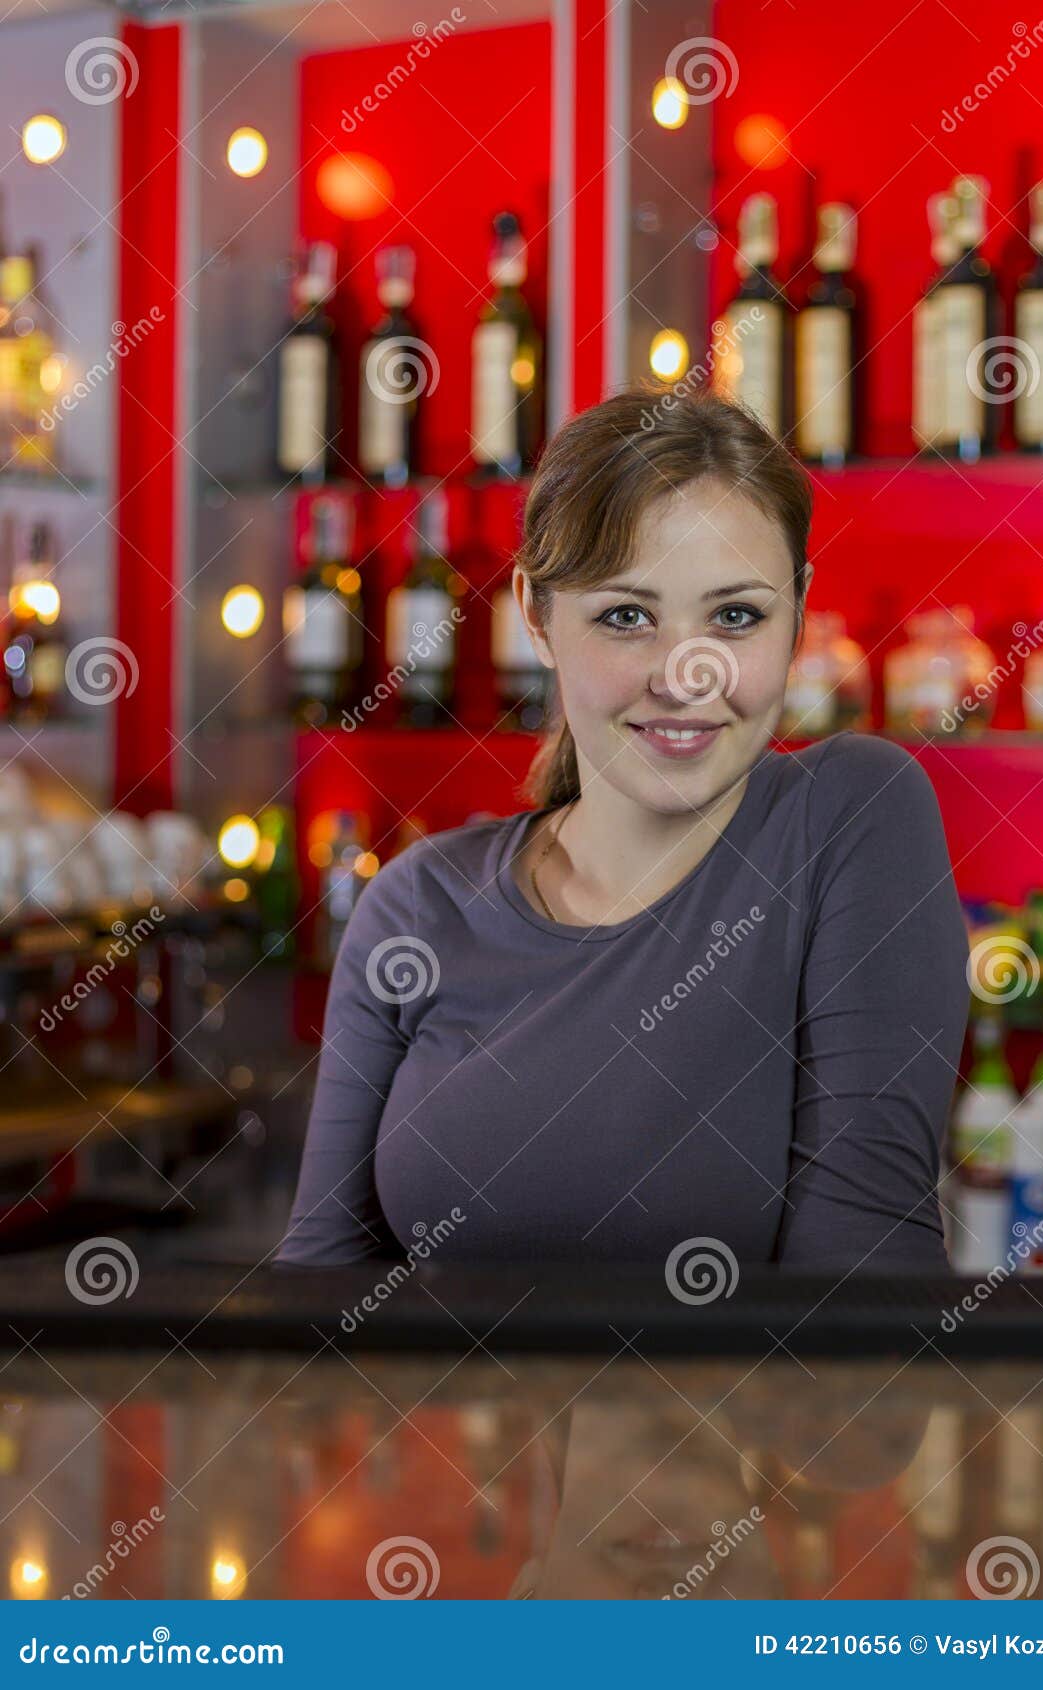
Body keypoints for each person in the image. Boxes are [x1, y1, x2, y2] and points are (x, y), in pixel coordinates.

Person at [275, 384, 969, 1273]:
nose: (685, 677)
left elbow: (864, 1288)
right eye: (626, 617)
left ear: (797, 610)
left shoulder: (851, 818)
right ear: (535, 614)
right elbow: (316, 1298)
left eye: (735, 616)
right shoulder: (417, 903)